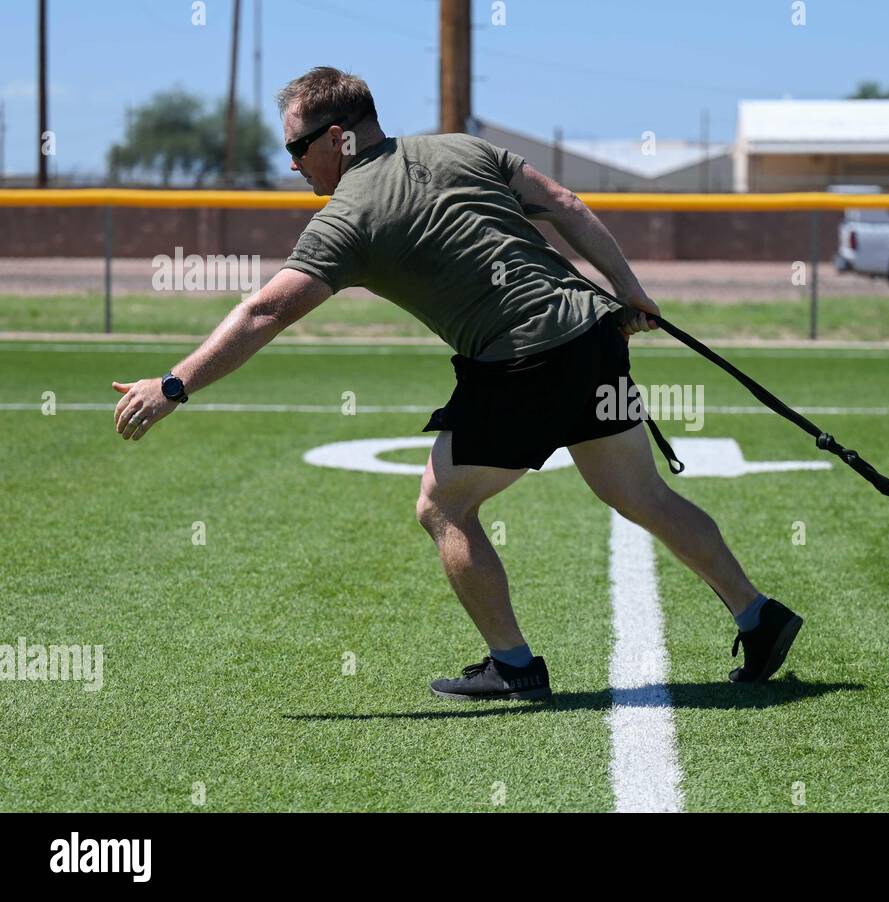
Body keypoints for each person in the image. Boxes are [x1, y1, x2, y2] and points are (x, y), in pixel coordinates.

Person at [109, 67, 803, 701]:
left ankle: (515, 665)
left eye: (297, 149)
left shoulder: (347, 217)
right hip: (593, 335)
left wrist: (172, 386)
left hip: (522, 361)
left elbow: (264, 311)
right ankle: (756, 613)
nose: (293, 165)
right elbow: (563, 201)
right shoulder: (462, 148)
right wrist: (630, 294)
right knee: (640, 491)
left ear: (340, 139)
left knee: (442, 507)